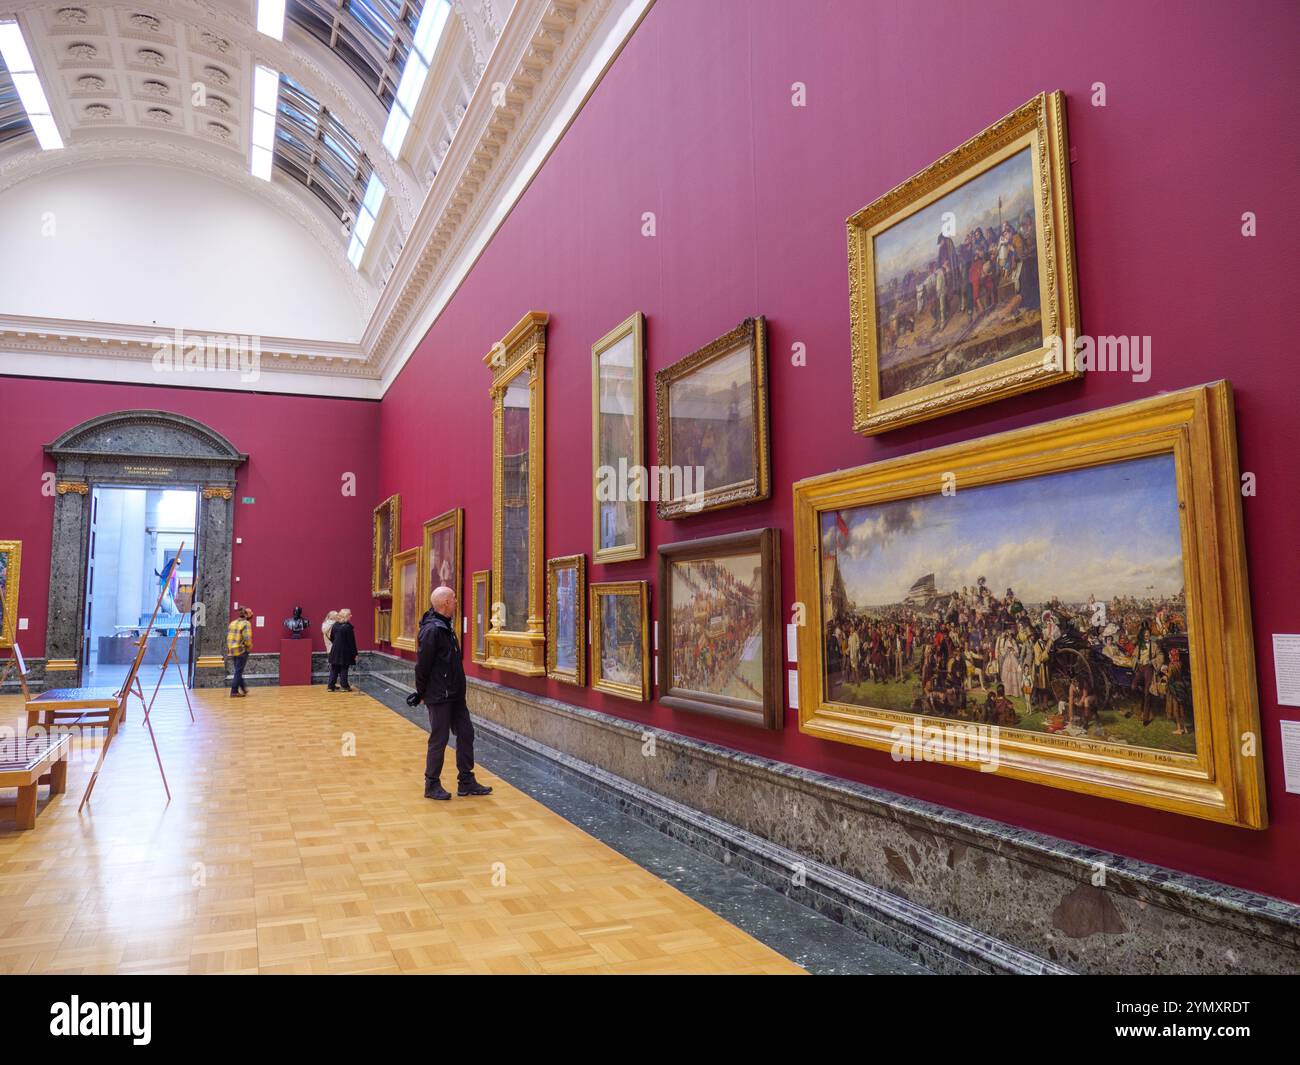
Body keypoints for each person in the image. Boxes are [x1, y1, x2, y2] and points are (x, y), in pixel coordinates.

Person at [413, 585, 492, 800]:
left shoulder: (445, 626)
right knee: (439, 739)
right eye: (454, 598)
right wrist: (421, 693)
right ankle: (431, 784)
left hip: (455, 694)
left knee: (466, 733)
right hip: (439, 695)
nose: (457, 601)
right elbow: (422, 666)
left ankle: (466, 781)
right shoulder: (432, 630)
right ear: (445, 603)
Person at [327, 609, 357, 691]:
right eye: (349, 614)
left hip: (335, 650)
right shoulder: (348, 627)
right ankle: (344, 686)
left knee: (334, 668)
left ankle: (330, 686)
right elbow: (351, 642)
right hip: (344, 651)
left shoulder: (335, 625)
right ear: (345, 616)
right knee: (344, 668)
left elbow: (332, 637)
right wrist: (355, 653)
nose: (351, 616)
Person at [226, 607, 253, 697]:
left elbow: (229, 637)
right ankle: (234, 691)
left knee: (238, 670)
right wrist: (249, 647)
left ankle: (243, 688)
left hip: (232, 650)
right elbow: (247, 638)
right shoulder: (246, 624)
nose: (252, 614)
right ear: (246, 614)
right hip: (241, 650)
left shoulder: (232, 623)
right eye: (250, 612)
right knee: (238, 671)